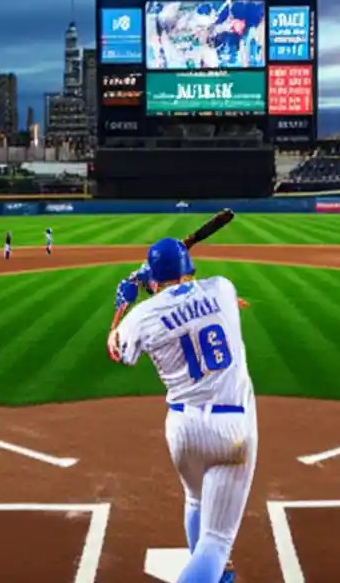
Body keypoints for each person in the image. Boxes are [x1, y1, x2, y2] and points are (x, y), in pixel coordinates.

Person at [108, 238, 253, 583]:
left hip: (183, 430)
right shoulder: (222, 288)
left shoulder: (142, 316)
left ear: (154, 280)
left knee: (195, 500)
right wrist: (155, 282)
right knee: (216, 543)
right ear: (188, 269)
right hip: (232, 427)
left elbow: (118, 350)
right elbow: (196, 295)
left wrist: (122, 306)